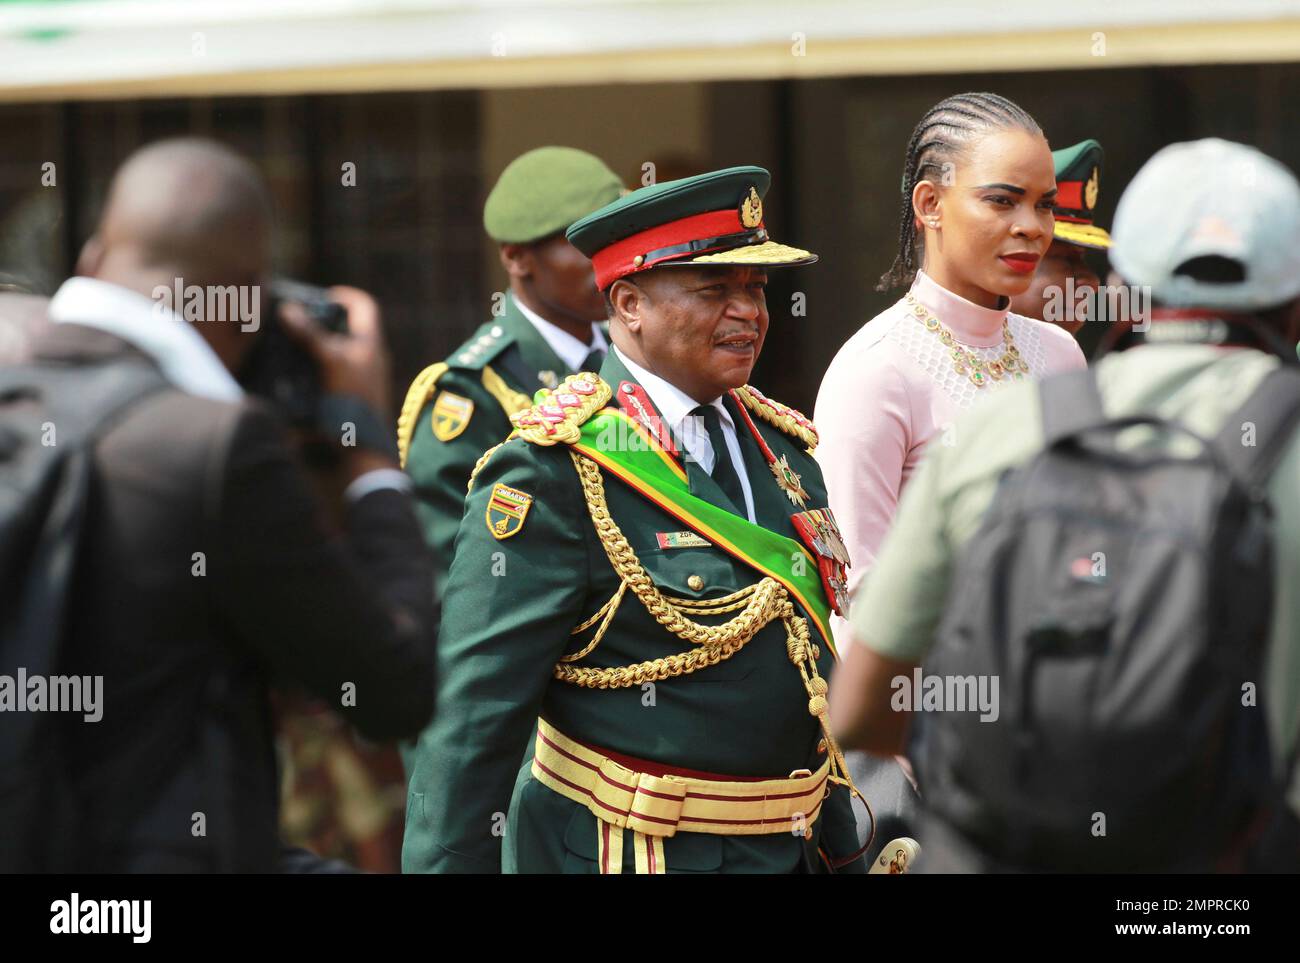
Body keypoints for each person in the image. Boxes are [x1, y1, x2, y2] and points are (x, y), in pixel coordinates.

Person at [829, 138, 1300, 870]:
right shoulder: (883, 365)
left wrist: (1014, 760)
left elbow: (860, 706)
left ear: (1125, 283)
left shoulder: (1011, 423)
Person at [403, 166, 867, 874]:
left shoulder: (785, 452)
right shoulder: (555, 468)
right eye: (716, 290)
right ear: (629, 303)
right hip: (635, 852)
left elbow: (804, 675)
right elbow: (473, 726)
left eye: (756, 289)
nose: (748, 312)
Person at [5, 138, 437, 871]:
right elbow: (392, 688)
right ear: (245, 300)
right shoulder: (215, 445)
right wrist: (367, 455)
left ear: (91, 257)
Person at [813, 92, 1087, 857]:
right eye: (1002, 201)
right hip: (944, 761)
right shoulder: (876, 371)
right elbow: (854, 596)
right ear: (930, 203)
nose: (1031, 227)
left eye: (1043, 204)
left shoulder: (1058, 353)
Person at [396, 146, 624, 603]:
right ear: (518, 258)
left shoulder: (631, 354)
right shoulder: (472, 389)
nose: (609, 262)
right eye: (585, 245)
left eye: (615, 240)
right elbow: (452, 571)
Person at [1008, 139, 1111, 333]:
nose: (1092, 281)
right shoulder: (937, 354)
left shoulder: (1066, 356)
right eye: (1064, 258)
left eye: (1080, 258)